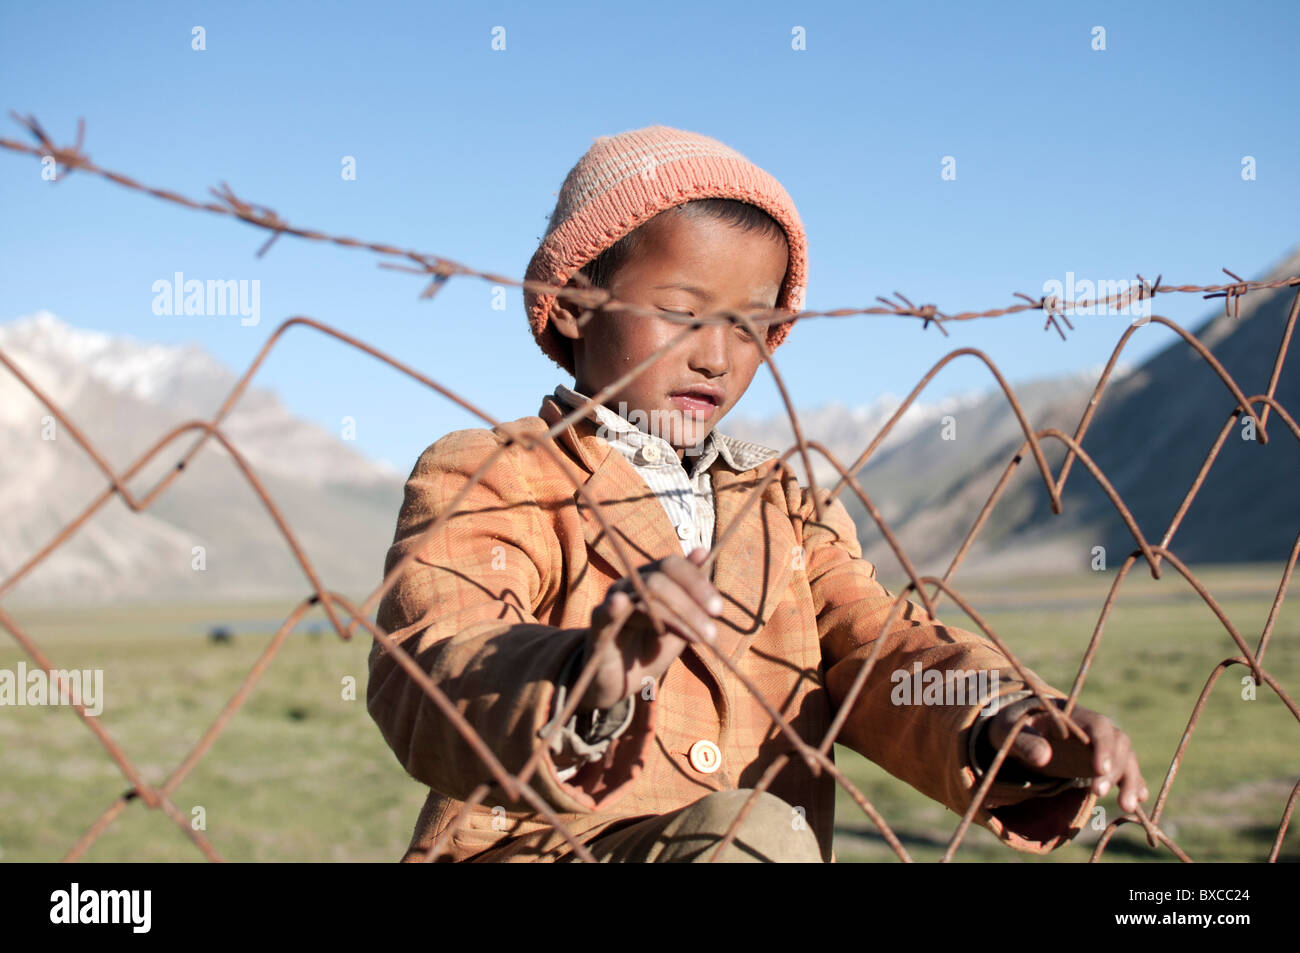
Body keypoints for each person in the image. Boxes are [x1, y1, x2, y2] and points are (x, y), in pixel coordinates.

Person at [366, 125, 1148, 862]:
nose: (716, 355)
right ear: (571, 302)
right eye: (680, 313)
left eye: (750, 326)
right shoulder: (499, 474)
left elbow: (880, 652)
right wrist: (582, 675)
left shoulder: (786, 508)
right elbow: (436, 656)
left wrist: (1000, 718)